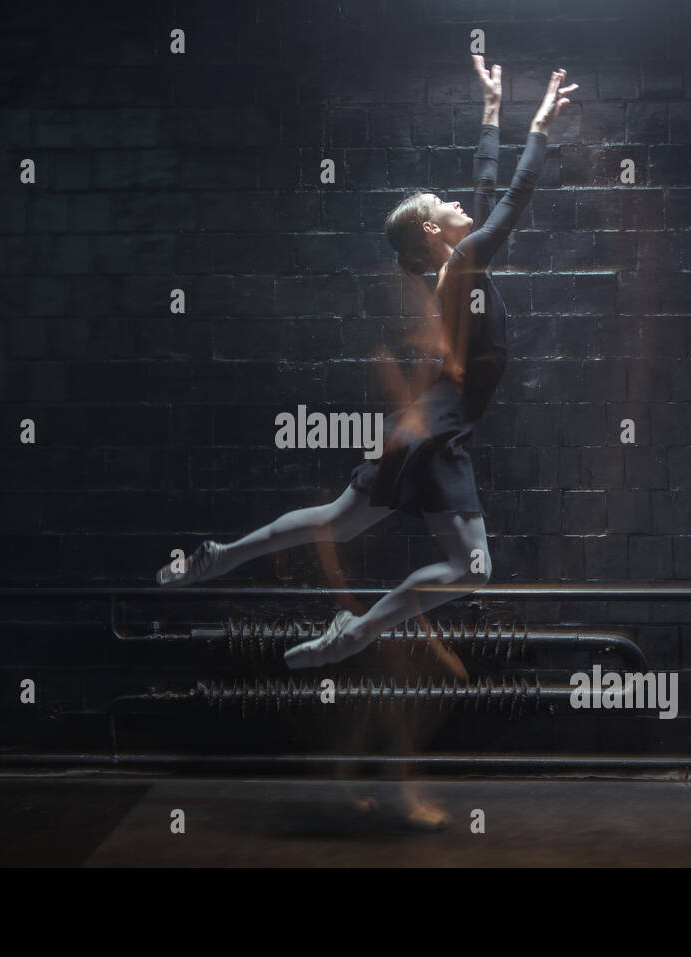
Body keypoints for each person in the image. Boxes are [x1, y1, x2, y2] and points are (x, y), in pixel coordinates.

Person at [157, 57, 577, 672]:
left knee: (339, 523)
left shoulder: (458, 266)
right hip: (439, 428)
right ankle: (355, 633)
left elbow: (488, 192)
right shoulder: (461, 266)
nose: (461, 200)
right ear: (434, 230)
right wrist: (538, 126)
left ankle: (219, 557)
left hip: (423, 422)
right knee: (470, 568)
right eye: (445, 202)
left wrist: (492, 107)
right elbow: (512, 199)